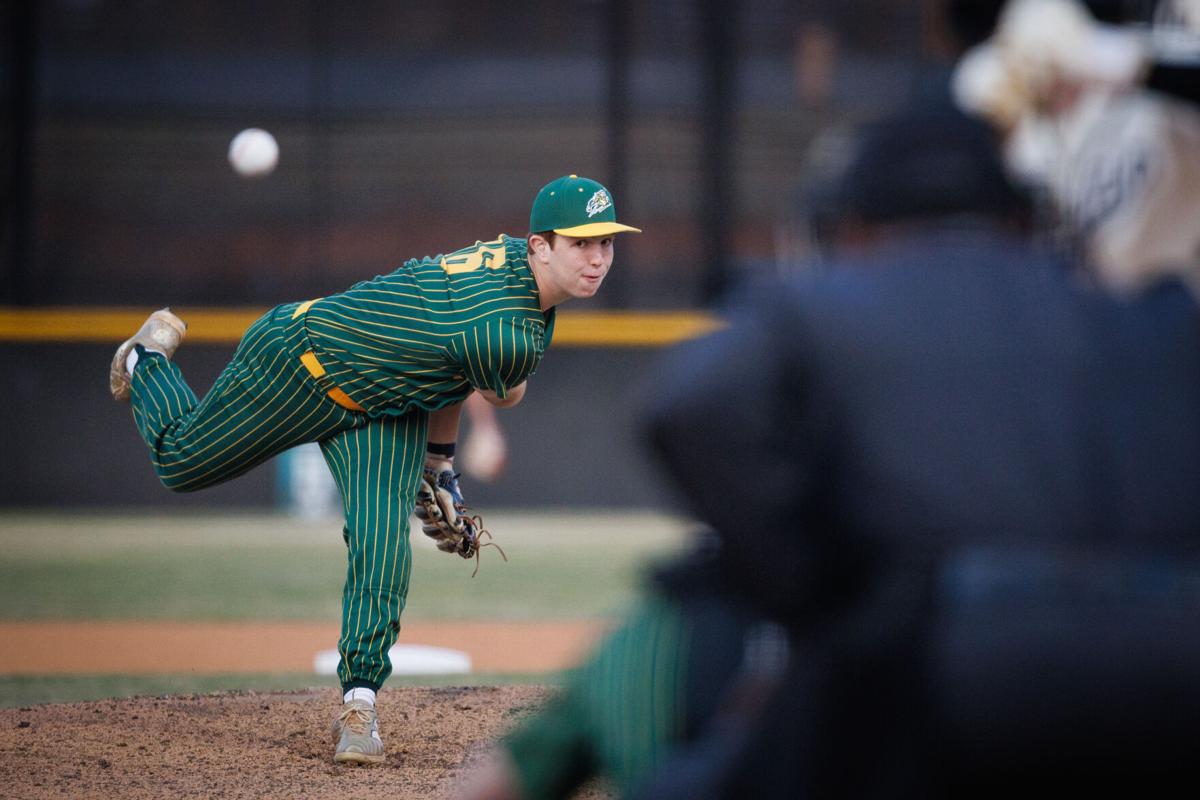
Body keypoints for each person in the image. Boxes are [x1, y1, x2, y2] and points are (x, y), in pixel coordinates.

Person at [460, 106, 1200, 798]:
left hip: (957, 665)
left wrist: (809, 581)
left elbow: (690, 402)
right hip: (1173, 662)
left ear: (853, 226)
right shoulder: (1134, 311)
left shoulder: (823, 302)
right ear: (1019, 217)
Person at [107, 174, 640, 765]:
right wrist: (448, 460)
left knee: (383, 545)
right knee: (180, 463)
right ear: (540, 245)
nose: (597, 258)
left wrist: (438, 463)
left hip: (388, 409)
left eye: (606, 243)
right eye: (580, 244)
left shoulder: (518, 268)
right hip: (301, 362)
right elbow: (496, 387)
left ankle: (359, 704)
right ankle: (146, 357)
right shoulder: (506, 331)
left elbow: (448, 365)